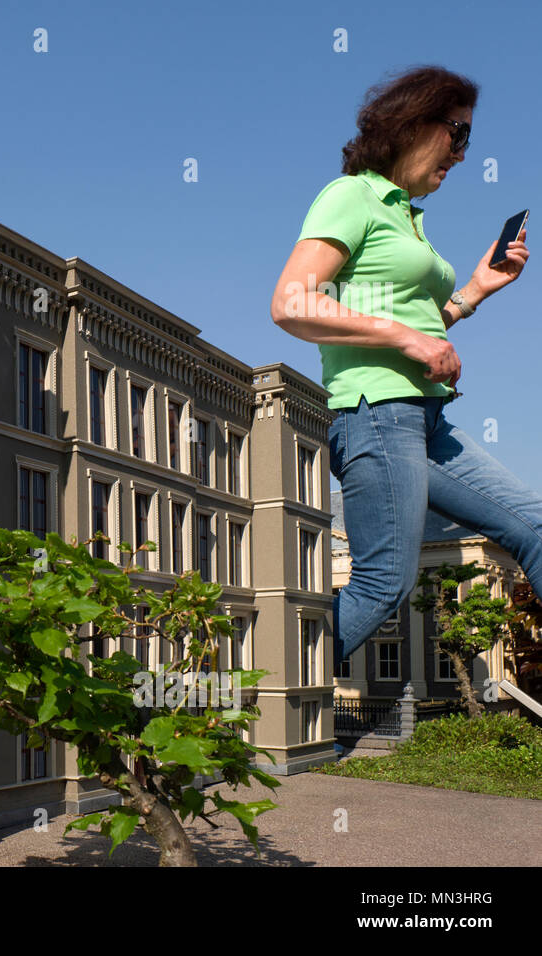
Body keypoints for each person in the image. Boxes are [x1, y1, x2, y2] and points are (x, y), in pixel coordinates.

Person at [269, 65, 533, 664]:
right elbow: (290, 302)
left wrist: (475, 289)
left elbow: (425, 324)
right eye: (458, 135)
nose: (463, 155)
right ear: (413, 123)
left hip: (426, 420)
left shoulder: (407, 215)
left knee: (533, 529)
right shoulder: (351, 196)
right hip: (374, 415)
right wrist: (405, 340)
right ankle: (262, 692)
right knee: (384, 582)